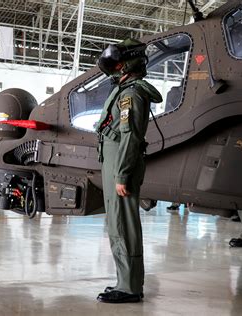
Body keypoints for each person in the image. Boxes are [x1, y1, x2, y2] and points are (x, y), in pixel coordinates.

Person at [95, 38, 162, 303]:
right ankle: (125, 282)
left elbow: (130, 138)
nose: (115, 67)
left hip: (121, 168)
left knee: (124, 226)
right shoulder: (124, 90)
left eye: (119, 63)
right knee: (117, 225)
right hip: (114, 165)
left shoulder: (131, 95)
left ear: (127, 65)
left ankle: (130, 287)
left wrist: (122, 174)